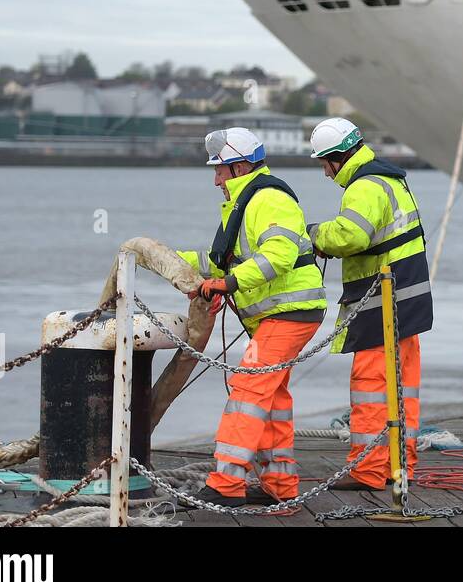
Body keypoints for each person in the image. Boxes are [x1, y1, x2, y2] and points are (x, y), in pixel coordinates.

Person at [177, 127, 327, 508]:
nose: (215, 181)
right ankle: (280, 487)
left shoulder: (269, 199)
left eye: (219, 172)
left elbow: (278, 255)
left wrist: (228, 284)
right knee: (271, 398)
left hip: (290, 313)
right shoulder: (245, 202)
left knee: (247, 392)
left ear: (239, 167)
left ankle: (226, 485)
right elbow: (219, 261)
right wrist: (167, 260)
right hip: (280, 315)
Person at [306, 118, 433, 491]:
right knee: (403, 388)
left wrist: (314, 234)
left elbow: (351, 236)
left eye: (324, 164)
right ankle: (399, 465)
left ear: (336, 158)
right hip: (407, 302)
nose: (326, 174)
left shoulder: (364, 187)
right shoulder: (390, 179)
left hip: (383, 306)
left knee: (372, 387)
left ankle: (369, 470)